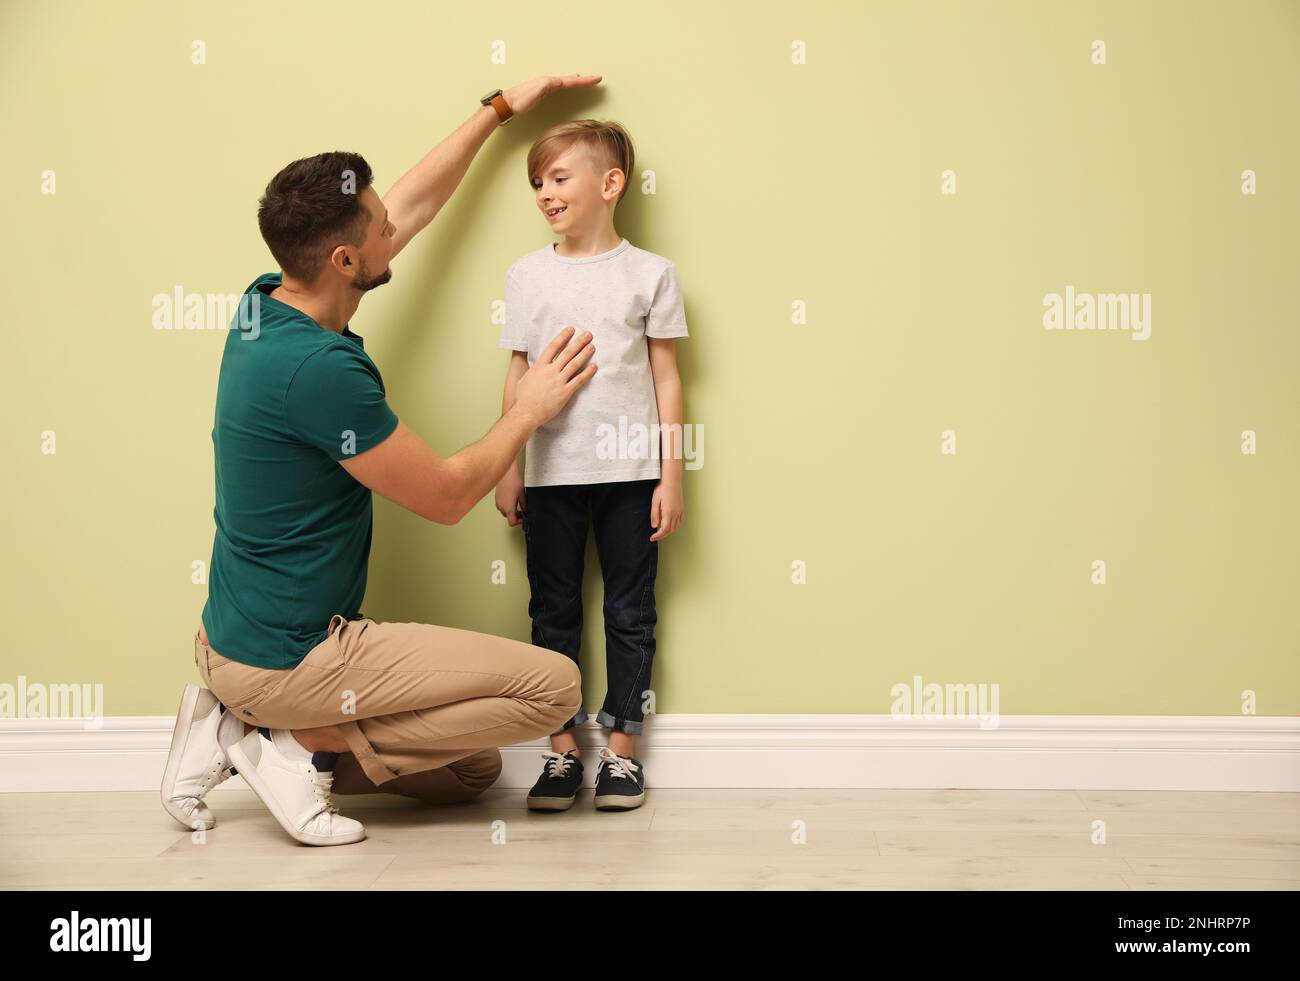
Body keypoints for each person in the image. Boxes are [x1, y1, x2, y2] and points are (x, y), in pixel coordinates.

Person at [160, 75, 606, 847]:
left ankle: (249, 728)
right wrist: (529, 408)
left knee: (471, 772)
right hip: (295, 652)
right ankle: (294, 741)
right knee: (552, 687)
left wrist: (498, 112)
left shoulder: (268, 300)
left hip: (236, 643)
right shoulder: (319, 373)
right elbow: (444, 494)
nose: (391, 224)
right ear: (344, 258)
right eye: (377, 224)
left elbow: (415, 202)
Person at [493, 120, 688, 812]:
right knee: (554, 612)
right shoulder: (526, 274)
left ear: (610, 185)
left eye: (559, 177)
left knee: (630, 611)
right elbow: (518, 371)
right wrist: (507, 465)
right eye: (538, 182)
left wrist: (672, 473)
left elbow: (666, 378)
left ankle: (623, 754)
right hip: (550, 476)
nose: (545, 193)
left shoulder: (651, 274)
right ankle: (561, 749)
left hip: (632, 473)